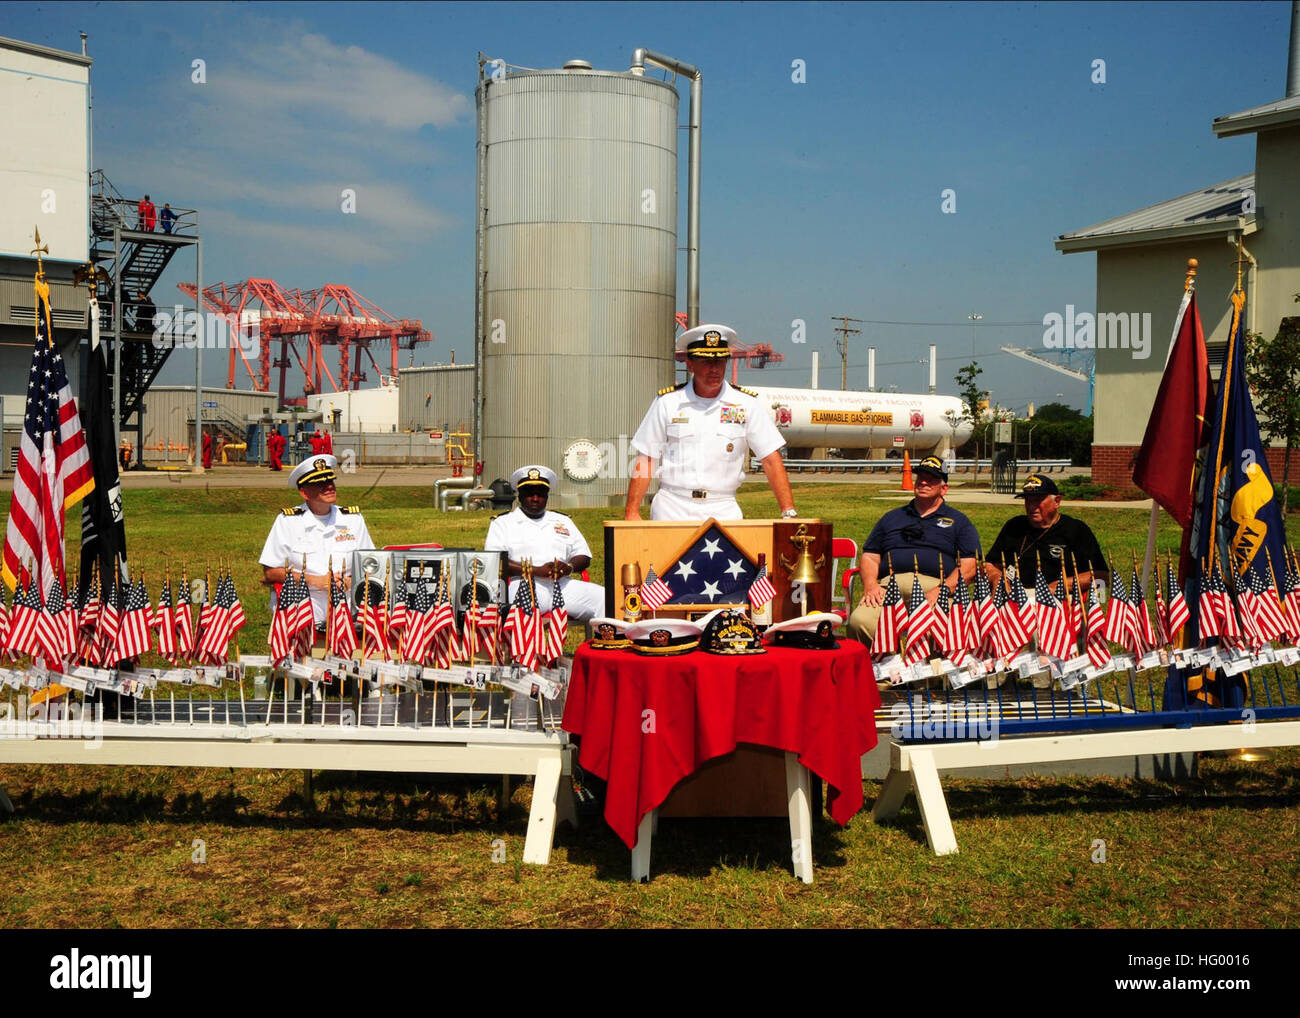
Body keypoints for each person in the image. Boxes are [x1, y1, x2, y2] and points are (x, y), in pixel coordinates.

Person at [624, 324, 796, 521]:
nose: (714, 368)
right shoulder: (668, 403)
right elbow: (647, 458)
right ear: (690, 364)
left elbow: (770, 459)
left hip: (723, 508)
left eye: (720, 361)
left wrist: (788, 511)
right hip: (672, 508)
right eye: (706, 361)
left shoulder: (746, 404)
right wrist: (632, 511)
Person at [846, 455, 981, 643]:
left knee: (936, 626)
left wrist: (942, 591)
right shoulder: (892, 518)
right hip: (889, 588)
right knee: (860, 621)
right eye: (921, 478)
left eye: (932, 479)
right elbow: (870, 556)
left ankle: (928, 671)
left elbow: (969, 567)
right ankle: (881, 669)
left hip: (934, 589)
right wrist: (870, 585)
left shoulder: (959, 522)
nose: (924, 482)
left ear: (944, 488)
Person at [259, 454, 373, 629]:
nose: (329, 487)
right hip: (300, 613)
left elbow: (371, 565)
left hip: (347, 615)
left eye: (331, 481)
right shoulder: (288, 521)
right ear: (304, 492)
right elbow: (271, 572)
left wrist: (353, 581)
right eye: (320, 484)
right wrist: (315, 581)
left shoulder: (353, 520)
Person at [486, 465, 604, 622]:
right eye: (529, 494)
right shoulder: (503, 523)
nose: (535, 498)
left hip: (562, 584)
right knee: (525, 609)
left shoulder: (562, 521)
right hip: (524, 584)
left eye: (541, 494)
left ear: (547, 495)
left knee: (605, 598)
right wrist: (535, 570)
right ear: (519, 495)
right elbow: (496, 561)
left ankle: (606, 644)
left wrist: (568, 567)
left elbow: (584, 555)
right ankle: (529, 647)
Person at [985, 474, 1105, 595]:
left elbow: (1101, 576)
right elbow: (988, 564)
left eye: (1038, 500)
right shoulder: (1014, 526)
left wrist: (1063, 584)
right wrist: (996, 577)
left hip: (1058, 604)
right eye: (1028, 500)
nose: (1032, 506)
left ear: (1057, 501)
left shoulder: (1075, 530)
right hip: (1014, 602)